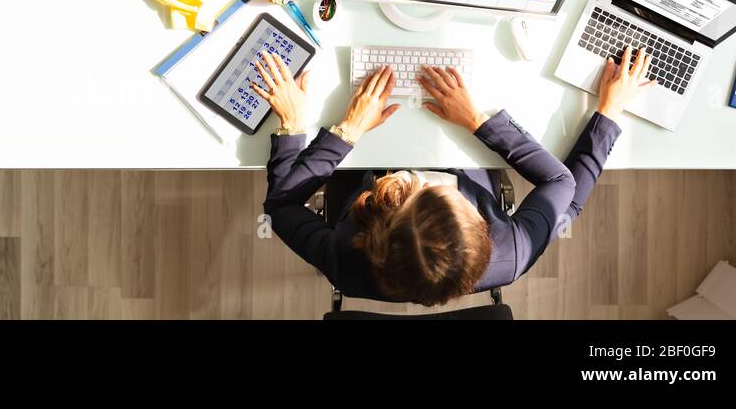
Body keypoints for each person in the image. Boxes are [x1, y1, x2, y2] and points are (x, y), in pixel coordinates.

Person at [254, 47, 654, 306]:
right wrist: (479, 122)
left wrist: (330, 128)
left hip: (362, 168)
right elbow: (567, 191)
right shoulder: (511, 254)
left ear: (376, 230)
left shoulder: (344, 261)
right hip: (466, 146)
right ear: (483, 229)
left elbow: (281, 203)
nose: (428, 178)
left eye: (418, 190)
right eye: (440, 193)